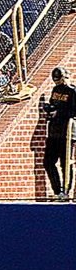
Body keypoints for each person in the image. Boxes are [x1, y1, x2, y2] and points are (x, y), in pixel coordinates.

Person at [42, 69, 76, 200]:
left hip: (67, 133)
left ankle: (66, 191)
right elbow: (53, 104)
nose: (58, 81)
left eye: (60, 79)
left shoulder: (73, 91)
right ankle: (57, 190)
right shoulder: (55, 90)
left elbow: (74, 112)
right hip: (53, 132)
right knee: (48, 162)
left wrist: (59, 112)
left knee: (65, 164)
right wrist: (49, 109)